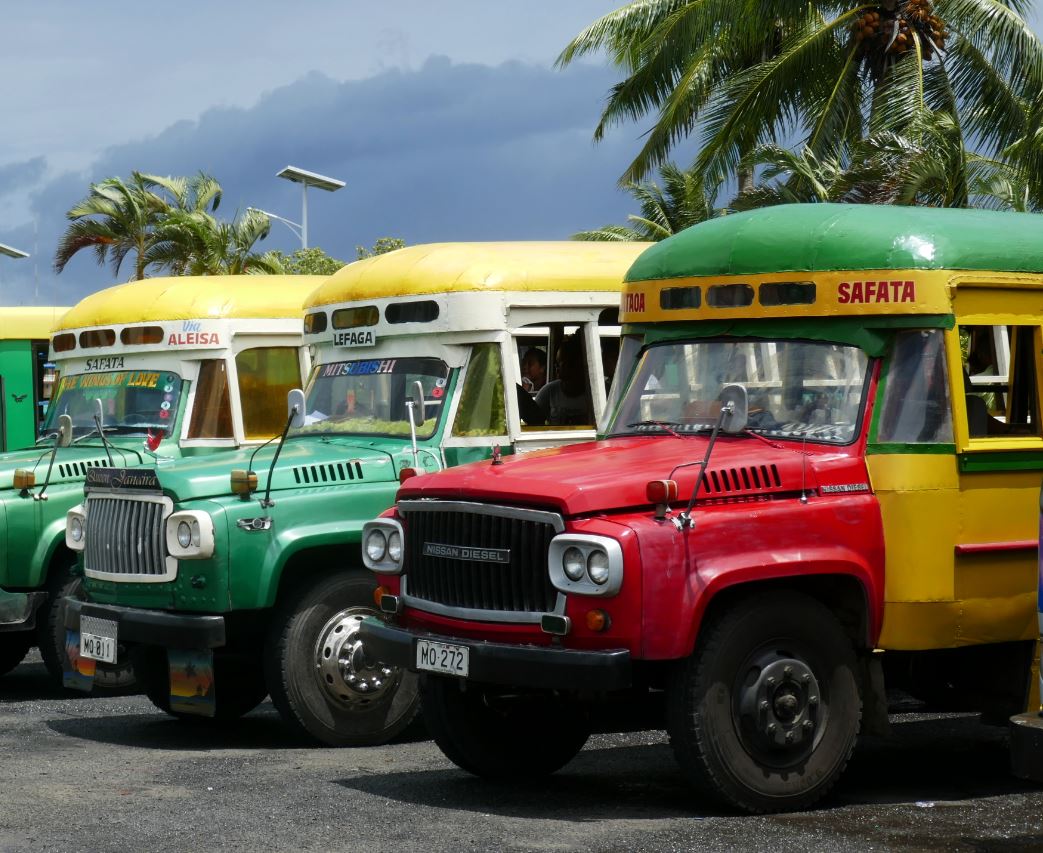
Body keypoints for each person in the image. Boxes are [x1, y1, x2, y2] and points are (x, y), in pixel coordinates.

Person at [536, 333, 592, 426]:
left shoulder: (597, 392)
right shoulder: (548, 392)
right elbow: (534, 422)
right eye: (556, 363)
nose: (556, 367)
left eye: (560, 362)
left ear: (576, 363)